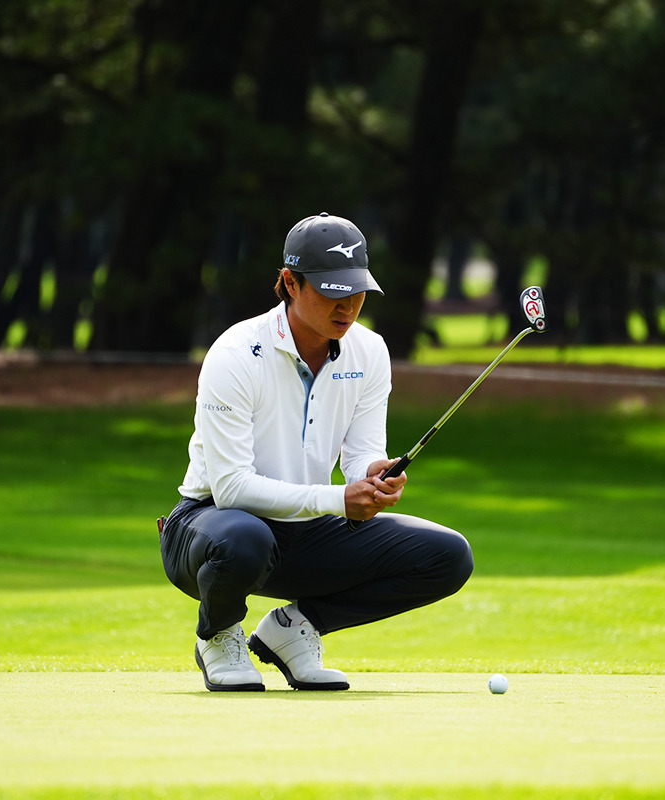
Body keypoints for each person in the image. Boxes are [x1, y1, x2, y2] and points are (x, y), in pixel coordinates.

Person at [158, 212, 474, 692]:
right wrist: (339, 500)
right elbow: (230, 488)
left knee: (448, 556)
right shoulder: (236, 353)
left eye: (356, 290)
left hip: (307, 531)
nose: (347, 306)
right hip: (209, 529)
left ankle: (294, 629)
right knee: (246, 538)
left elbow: (363, 448)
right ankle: (218, 633)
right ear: (290, 283)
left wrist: (373, 474)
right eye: (331, 290)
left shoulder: (369, 351)